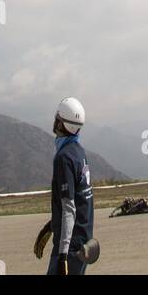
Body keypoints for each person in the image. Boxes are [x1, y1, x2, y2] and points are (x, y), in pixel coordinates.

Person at [32, 96, 94, 275]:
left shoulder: (64, 158)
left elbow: (69, 208)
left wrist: (63, 255)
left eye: (57, 118)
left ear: (62, 124)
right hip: (82, 239)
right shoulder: (79, 152)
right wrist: (52, 225)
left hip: (70, 247)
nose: (54, 121)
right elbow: (80, 199)